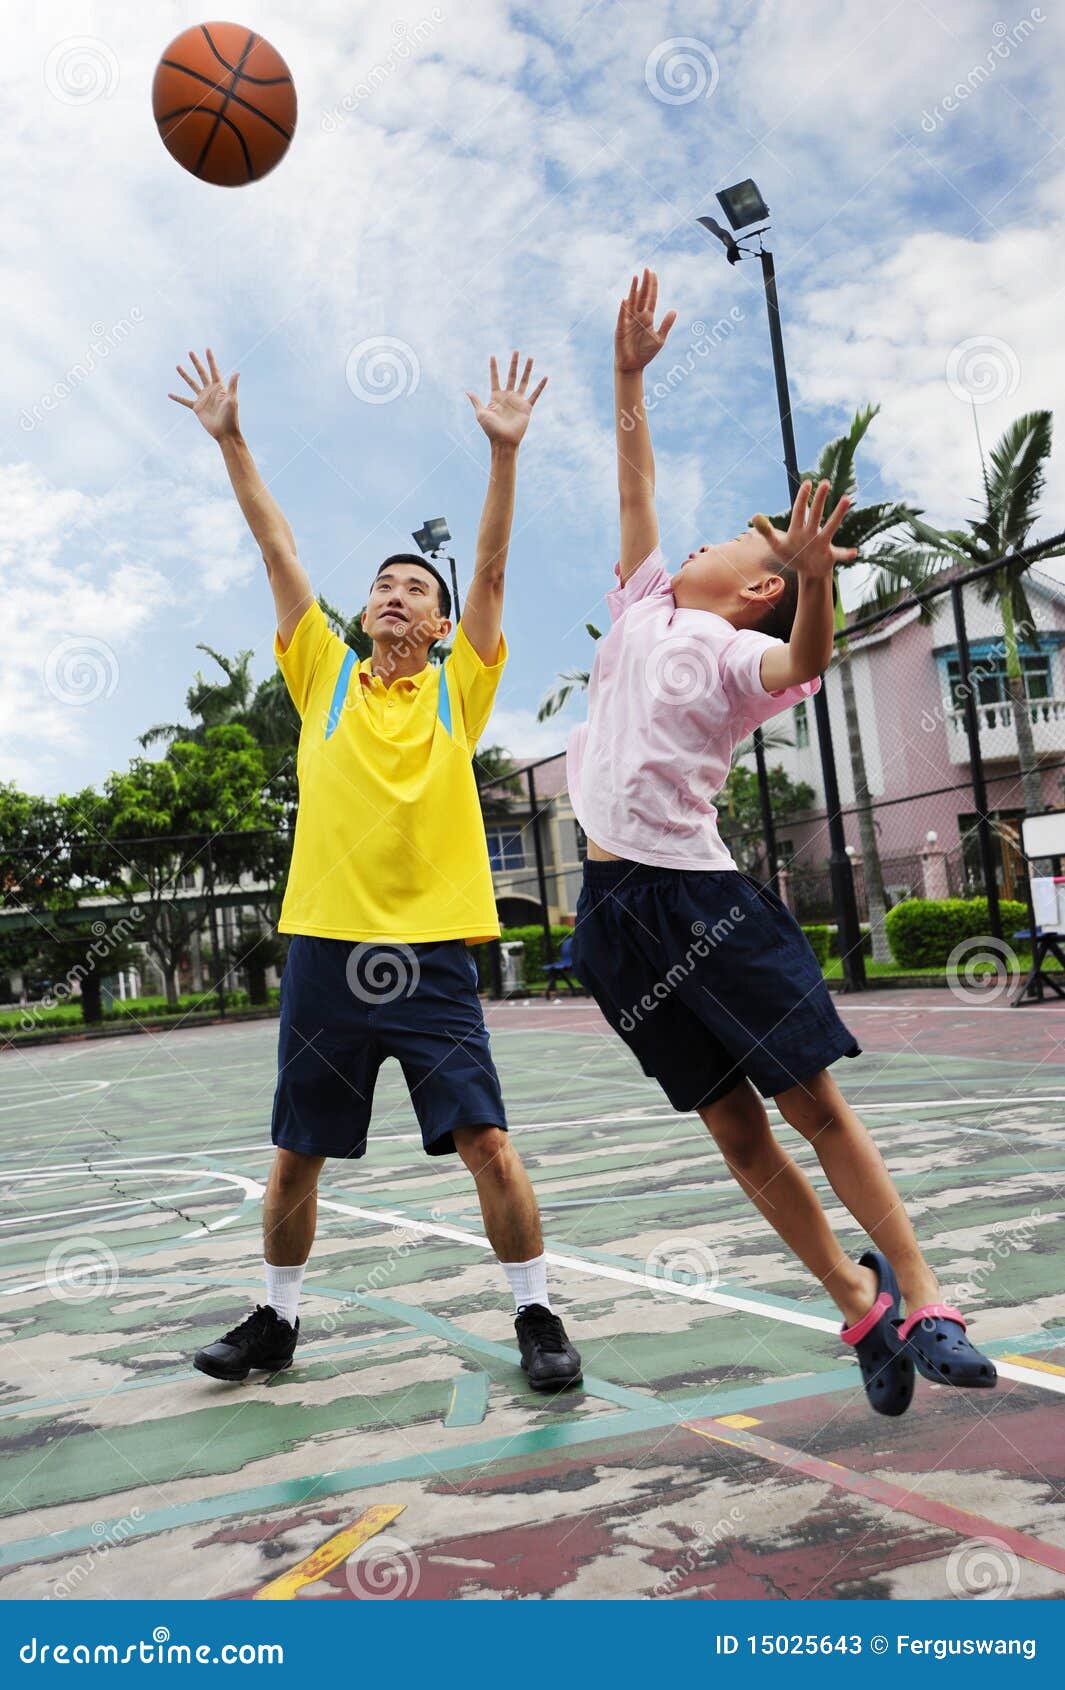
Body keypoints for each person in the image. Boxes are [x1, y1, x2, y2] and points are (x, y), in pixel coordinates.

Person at [566, 270, 995, 1413]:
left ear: (755, 583)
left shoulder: (729, 657)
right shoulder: (646, 605)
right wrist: (625, 378)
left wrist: (811, 584)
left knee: (811, 1106)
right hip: (611, 922)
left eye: (733, 541)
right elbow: (635, 483)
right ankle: (859, 1309)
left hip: (698, 903)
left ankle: (926, 1293)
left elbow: (803, 662)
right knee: (736, 1134)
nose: (691, 540)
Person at [169, 347, 581, 1392]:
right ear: (364, 613)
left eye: (416, 589)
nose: (398, 595)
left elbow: (488, 569)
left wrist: (503, 453)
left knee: (486, 1139)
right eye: (385, 585)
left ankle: (537, 1312)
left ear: (441, 625)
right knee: (298, 1149)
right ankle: (277, 1316)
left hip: (430, 952)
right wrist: (230, 437)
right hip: (327, 948)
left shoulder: (459, 690)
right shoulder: (323, 676)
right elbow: (276, 545)